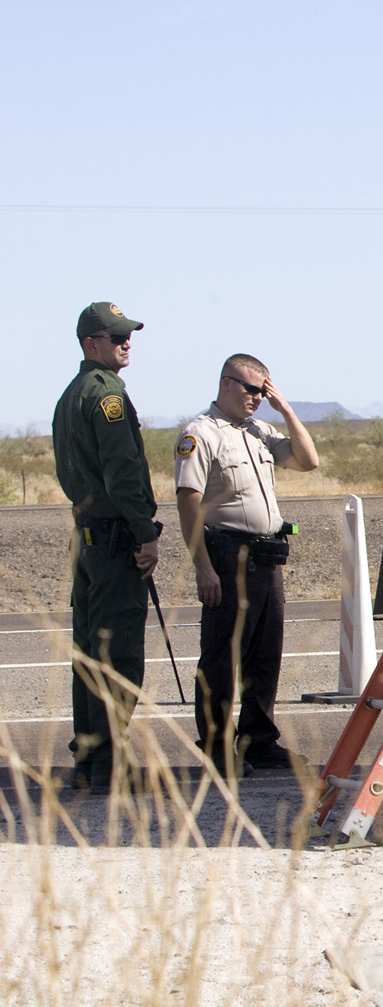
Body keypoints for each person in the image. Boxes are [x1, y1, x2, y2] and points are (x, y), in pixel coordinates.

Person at [174, 354, 318, 774]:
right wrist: (202, 567)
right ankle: (219, 749)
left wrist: (286, 409)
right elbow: (188, 501)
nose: (258, 397)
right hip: (226, 557)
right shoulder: (200, 434)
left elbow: (308, 461)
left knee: (264, 656)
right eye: (251, 389)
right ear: (226, 384)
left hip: (267, 556)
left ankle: (258, 741)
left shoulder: (260, 431)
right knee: (221, 659)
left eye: (264, 390)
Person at [53, 302, 162, 791]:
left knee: (89, 654)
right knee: (118, 656)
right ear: (90, 342)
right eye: (117, 336)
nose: (127, 343)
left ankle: (91, 758)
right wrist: (144, 532)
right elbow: (122, 472)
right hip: (116, 542)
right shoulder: (107, 395)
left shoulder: (70, 395)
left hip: (89, 538)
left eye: (127, 335)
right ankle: (111, 765)